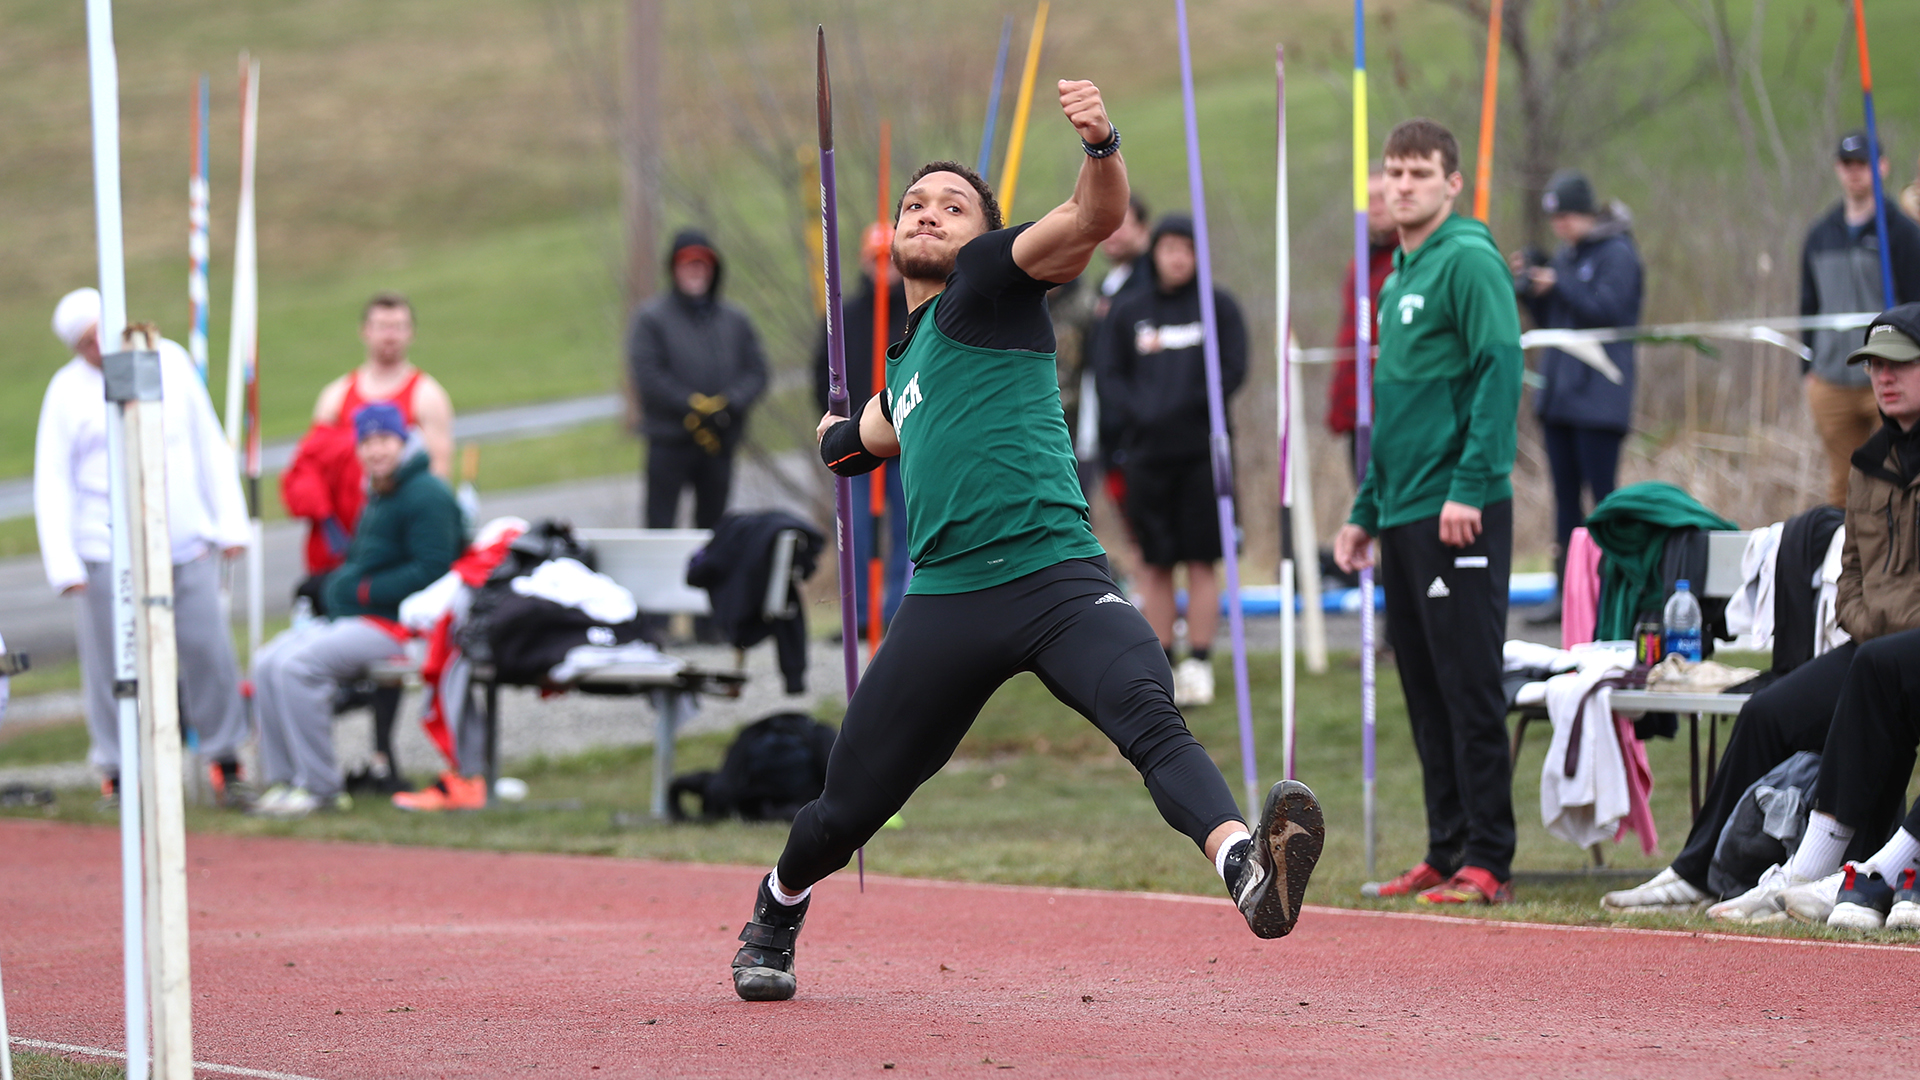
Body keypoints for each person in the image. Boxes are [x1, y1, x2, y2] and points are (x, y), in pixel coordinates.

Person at [729, 79, 1325, 1003]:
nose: (929, 213)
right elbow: (874, 435)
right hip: (949, 603)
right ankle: (777, 906)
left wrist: (1100, 146)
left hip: (1055, 576)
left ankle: (1248, 870)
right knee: (846, 806)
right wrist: (837, 439)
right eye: (914, 204)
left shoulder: (991, 282)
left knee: (1146, 707)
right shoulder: (912, 356)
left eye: (952, 204)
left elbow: (1094, 218)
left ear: (983, 233)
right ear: (893, 236)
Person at [1608, 305, 1920, 928]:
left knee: (1876, 681)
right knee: (1765, 712)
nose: (1883, 379)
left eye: (1900, 366)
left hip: (1906, 650)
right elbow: (1851, 569)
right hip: (1872, 645)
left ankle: (1849, 871)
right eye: (1875, 367)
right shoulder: (1868, 460)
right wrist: (1863, 619)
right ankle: (1698, 873)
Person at [1333, 118, 1524, 906]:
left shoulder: (1468, 262)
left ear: (1451, 184)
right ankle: (1444, 849)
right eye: (1392, 172)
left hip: (1459, 511)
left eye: (1418, 173)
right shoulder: (1394, 277)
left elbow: (1499, 370)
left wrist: (1470, 485)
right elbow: (1395, 408)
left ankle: (1489, 857)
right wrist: (1364, 510)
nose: (1400, 185)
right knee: (1422, 686)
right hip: (1404, 511)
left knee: (1468, 683)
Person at [33, 289, 254, 806]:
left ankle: (225, 760)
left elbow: (206, 440)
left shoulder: (169, 361)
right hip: (105, 549)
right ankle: (118, 770)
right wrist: (62, 561)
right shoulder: (65, 392)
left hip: (184, 540)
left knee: (209, 653)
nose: (96, 347)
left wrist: (230, 522)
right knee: (114, 664)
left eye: (99, 334)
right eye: (84, 342)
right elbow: (52, 479)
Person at [250, 404, 462, 818]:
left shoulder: (426, 493)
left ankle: (321, 787)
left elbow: (434, 572)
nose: (375, 450)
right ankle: (286, 779)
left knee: (298, 667)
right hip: (357, 619)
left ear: (403, 441)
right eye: (366, 442)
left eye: (384, 440)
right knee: (266, 661)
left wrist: (362, 589)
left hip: (402, 628)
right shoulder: (380, 491)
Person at [1100, 213, 1248, 707]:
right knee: (1154, 562)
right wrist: (1143, 412)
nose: (1177, 257)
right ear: (1156, 252)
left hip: (1204, 453)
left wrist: (1187, 407)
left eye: (1187, 248)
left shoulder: (1217, 306)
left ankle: (1199, 663)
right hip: (1146, 455)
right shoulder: (1130, 309)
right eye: (1169, 248)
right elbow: (1110, 376)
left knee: (1203, 560)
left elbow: (1233, 369)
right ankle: (1160, 662)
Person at [1514, 170, 1643, 625]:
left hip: (1600, 399)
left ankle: (1617, 590)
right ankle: (1566, 593)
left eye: (1567, 216)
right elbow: (1556, 320)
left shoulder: (1618, 254)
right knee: (1565, 501)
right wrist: (1532, 290)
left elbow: (1608, 311)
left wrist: (1560, 282)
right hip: (1561, 397)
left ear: (1588, 212)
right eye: (1555, 219)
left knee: (1604, 499)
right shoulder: (1569, 256)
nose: (1561, 226)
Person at [288, 294, 455, 578]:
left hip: (400, 535)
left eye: (398, 326)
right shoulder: (336, 397)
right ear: (365, 331)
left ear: (411, 333)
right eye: (382, 326)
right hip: (345, 533)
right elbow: (312, 463)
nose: (390, 335)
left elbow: (439, 470)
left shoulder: (427, 396)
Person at [1800, 131, 1920, 509]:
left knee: (1901, 474)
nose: (1856, 173)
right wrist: (1807, 368)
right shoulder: (1819, 236)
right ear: (1838, 169)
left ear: (1880, 167)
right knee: (1845, 483)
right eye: (1848, 165)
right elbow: (1808, 306)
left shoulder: (1901, 233)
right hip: (1832, 378)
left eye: (1863, 164)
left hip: (1889, 376)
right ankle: (1848, 562)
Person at [629, 230, 769, 532]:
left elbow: (757, 372)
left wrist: (728, 404)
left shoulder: (735, 319)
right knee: (660, 526)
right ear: (674, 270)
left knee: (714, 527)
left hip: (719, 440)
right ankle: (659, 580)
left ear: (713, 269)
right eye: (687, 265)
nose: (695, 272)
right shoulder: (651, 319)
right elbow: (648, 375)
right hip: (669, 440)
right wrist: (691, 405)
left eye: (701, 265)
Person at [813, 223, 910, 635]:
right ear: (865, 263)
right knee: (855, 533)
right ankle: (858, 616)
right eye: (877, 261)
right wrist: (839, 426)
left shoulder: (916, 311)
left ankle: (900, 612)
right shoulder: (843, 315)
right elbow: (821, 372)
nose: (883, 269)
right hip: (857, 442)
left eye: (891, 261)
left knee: (909, 530)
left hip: (907, 443)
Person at [1325, 164, 1398, 470]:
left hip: (1400, 411)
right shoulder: (1359, 264)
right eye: (1368, 199)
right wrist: (1343, 407)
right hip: (1360, 413)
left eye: (1382, 197)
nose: (1375, 207)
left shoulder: (1414, 258)